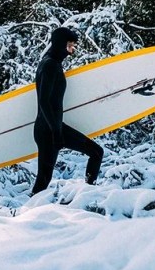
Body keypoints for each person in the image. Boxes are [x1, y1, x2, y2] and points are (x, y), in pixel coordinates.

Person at [30, 26, 104, 195]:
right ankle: (26, 214)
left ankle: (88, 191)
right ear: (60, 44)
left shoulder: (52, 63)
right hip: (48, 130)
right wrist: (56, 132)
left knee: (96, 152)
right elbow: (44, 102)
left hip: (52, 126)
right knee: (43, 179)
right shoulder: (49, 65)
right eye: (70, 45)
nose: (72, 49)